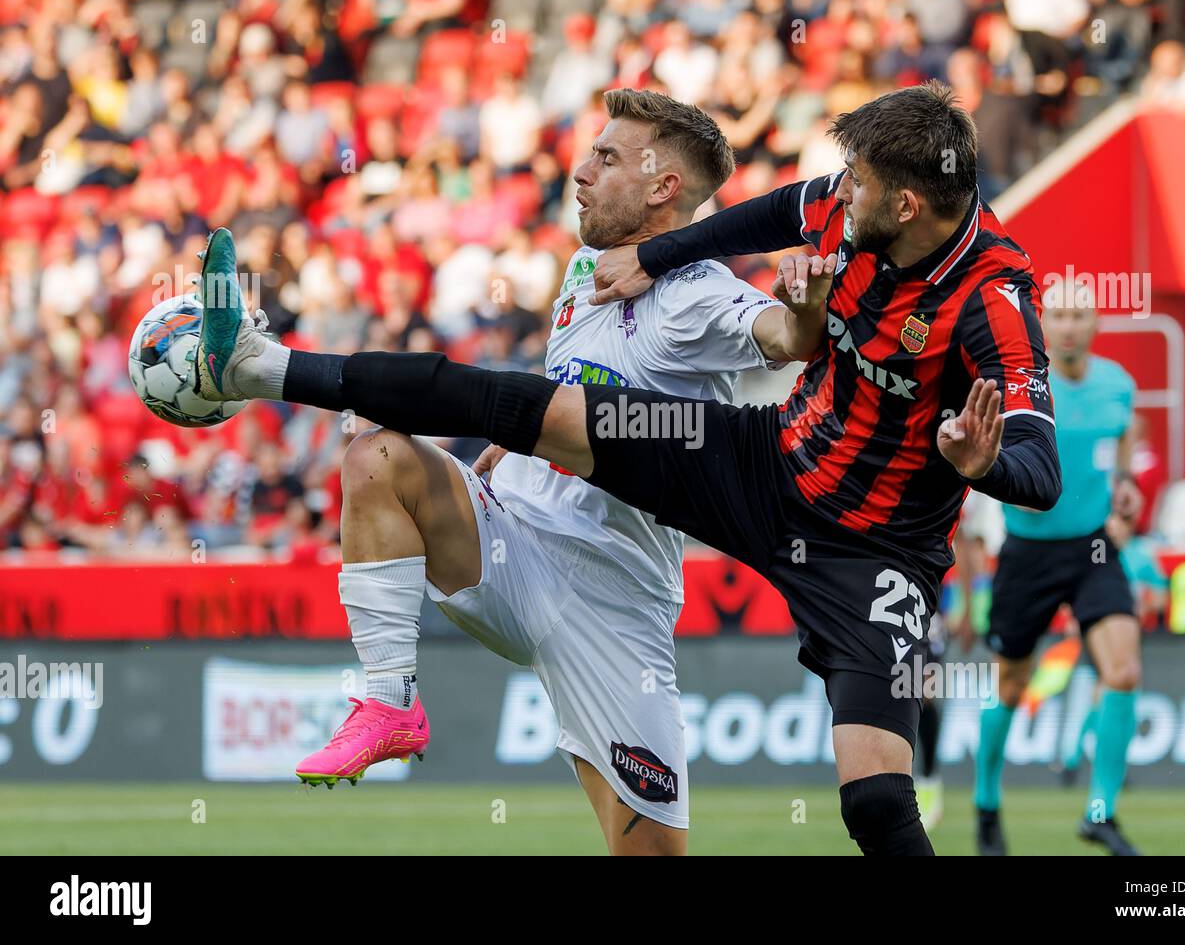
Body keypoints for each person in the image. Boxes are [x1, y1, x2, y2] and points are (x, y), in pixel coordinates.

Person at [193, 82, 1061, 856]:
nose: (842, 189)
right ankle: (264, 370)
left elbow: (1038, 467)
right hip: (760, 463)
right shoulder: (835, 207)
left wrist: (983, 463)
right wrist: (653, 255)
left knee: (872, 801)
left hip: (865, 552)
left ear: (908, 204)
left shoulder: (992, 296)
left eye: (861, 182)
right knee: (499, 416)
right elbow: (756, 218)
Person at [970, 279, 1143, 856]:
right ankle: (987, 804)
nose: (1068, 325)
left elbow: (1122, 457)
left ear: (1095, 324)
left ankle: (1101, 813)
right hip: (1028, 554)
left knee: (1123, 671)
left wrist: (1125, 493)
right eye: (1059, 314)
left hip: (1094, 550)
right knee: (1012, 686)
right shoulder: (1023, 387)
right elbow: (987, 459)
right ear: (1045, 323)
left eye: (1079, 315)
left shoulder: (1118, 385)